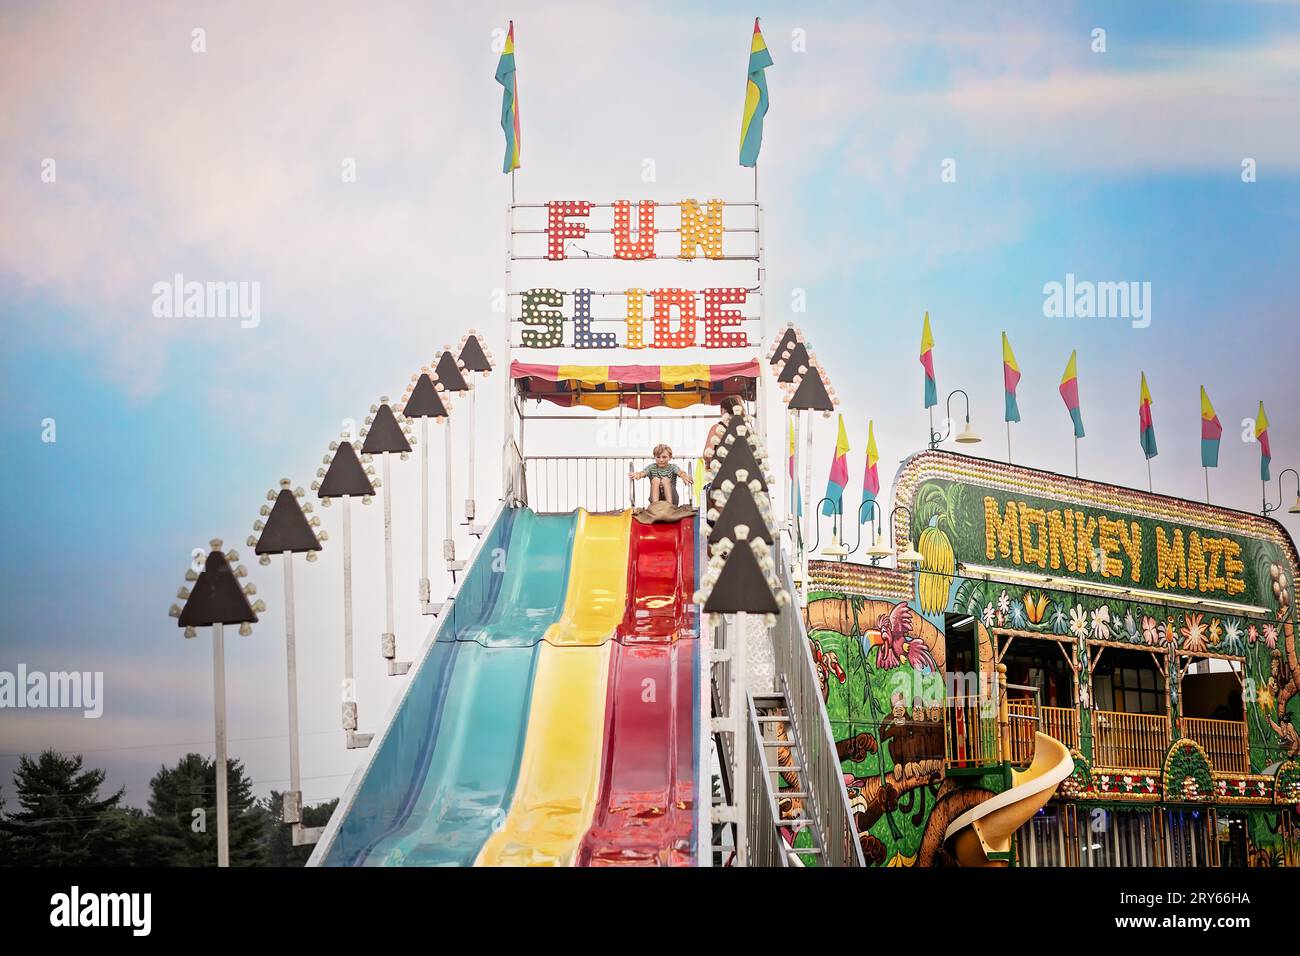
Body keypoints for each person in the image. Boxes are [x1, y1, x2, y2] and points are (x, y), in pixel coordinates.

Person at [702, 396, 744, 465]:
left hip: (721, 470)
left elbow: (707, 455)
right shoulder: (743, 428)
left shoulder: (716, 428)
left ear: (723, 410)